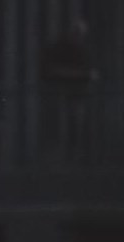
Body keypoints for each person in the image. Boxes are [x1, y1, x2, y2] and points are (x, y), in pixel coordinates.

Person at [39, 17, 97, 166]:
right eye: (76, 33)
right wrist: (78, 75)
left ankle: (74, 160)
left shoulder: (84, 51)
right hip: (60, 96)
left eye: (80, 34)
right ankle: (58, 161)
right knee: (59, 128)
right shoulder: (58, 49)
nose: (78, 37)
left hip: (77, 96)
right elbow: (51, 70)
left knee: (75, 129)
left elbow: (91, 73)